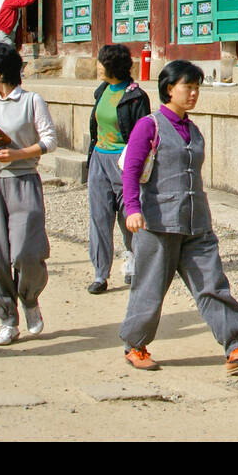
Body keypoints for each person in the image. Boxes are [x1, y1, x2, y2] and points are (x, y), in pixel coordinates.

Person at [118, 60, 238, 375]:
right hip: (157, 223)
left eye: (197, 87)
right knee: (150, 287)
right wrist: (132, 209)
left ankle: (234, 347)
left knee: (212, 284)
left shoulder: (193, 130)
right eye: (188, 86)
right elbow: (131, 169)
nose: (194, 93)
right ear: (170, 89)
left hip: (196, 223)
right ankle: (135, 345)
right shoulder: (149, 125)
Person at [0, 42, 57, 345]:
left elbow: (50, 140)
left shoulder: (31, 101)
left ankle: (30, 298)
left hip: (24, 180)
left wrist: (19, 153)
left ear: (1, 71)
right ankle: (7, 318)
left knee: (27, 250)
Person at [86, 44, 150, 293]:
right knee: (99, 217)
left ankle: (134, 260)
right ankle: (100, 273)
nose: (98, 66)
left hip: (124, 162)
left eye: (101, 62)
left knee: (129, 216)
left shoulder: (136, 96)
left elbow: (143, 134)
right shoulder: (101, 90)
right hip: (99, 159)